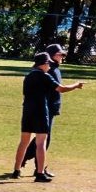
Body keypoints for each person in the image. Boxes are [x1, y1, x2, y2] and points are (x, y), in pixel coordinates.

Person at [12, 51, 83, 181]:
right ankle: (39, 173)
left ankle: (16, 170)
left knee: (24, 141)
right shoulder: (45, 76)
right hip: (40, 111)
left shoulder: (28, 76)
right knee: (41, 142)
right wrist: (76, 85)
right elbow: (61, 89)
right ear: (44, 64)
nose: (50, 66)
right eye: (48, 63)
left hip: (27, 111)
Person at [20, 44, 73, 174]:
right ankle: (38, 168)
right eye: (59, 54)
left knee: (42, 138)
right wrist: (76, 86)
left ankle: (28, 161)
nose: (62, 57)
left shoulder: (54, 69)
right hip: (45, 108)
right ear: (51, 56)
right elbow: (55, 89)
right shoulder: (50, 70)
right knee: (43, 139)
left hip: (50, 108)